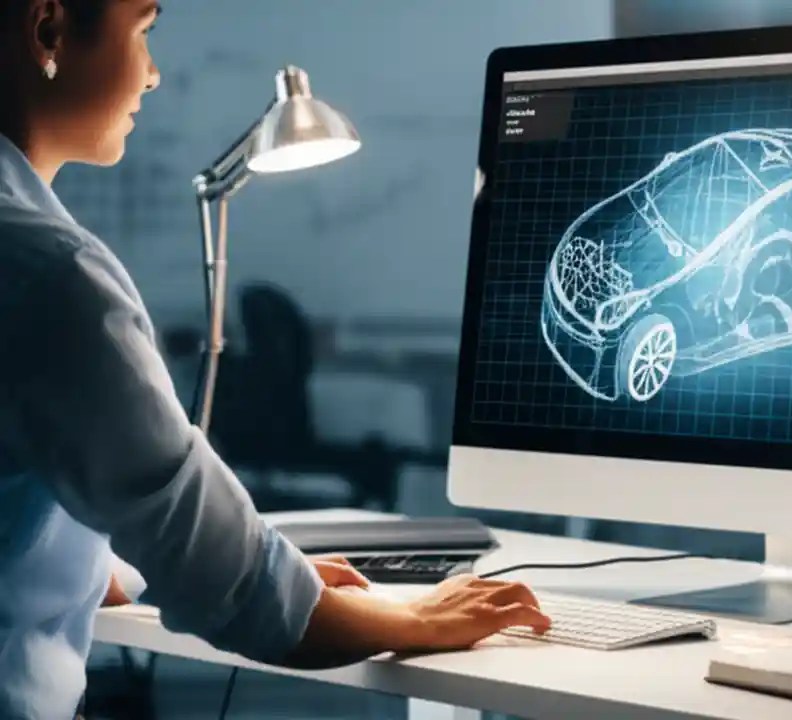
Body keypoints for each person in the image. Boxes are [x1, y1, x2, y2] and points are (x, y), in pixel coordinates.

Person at [0, 1, 550, 717]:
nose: (154, 74)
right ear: (49, 29)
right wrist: (414, 617)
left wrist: (141, 568)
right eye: (144, 31)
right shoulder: (53, 275)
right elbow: (234, 588)